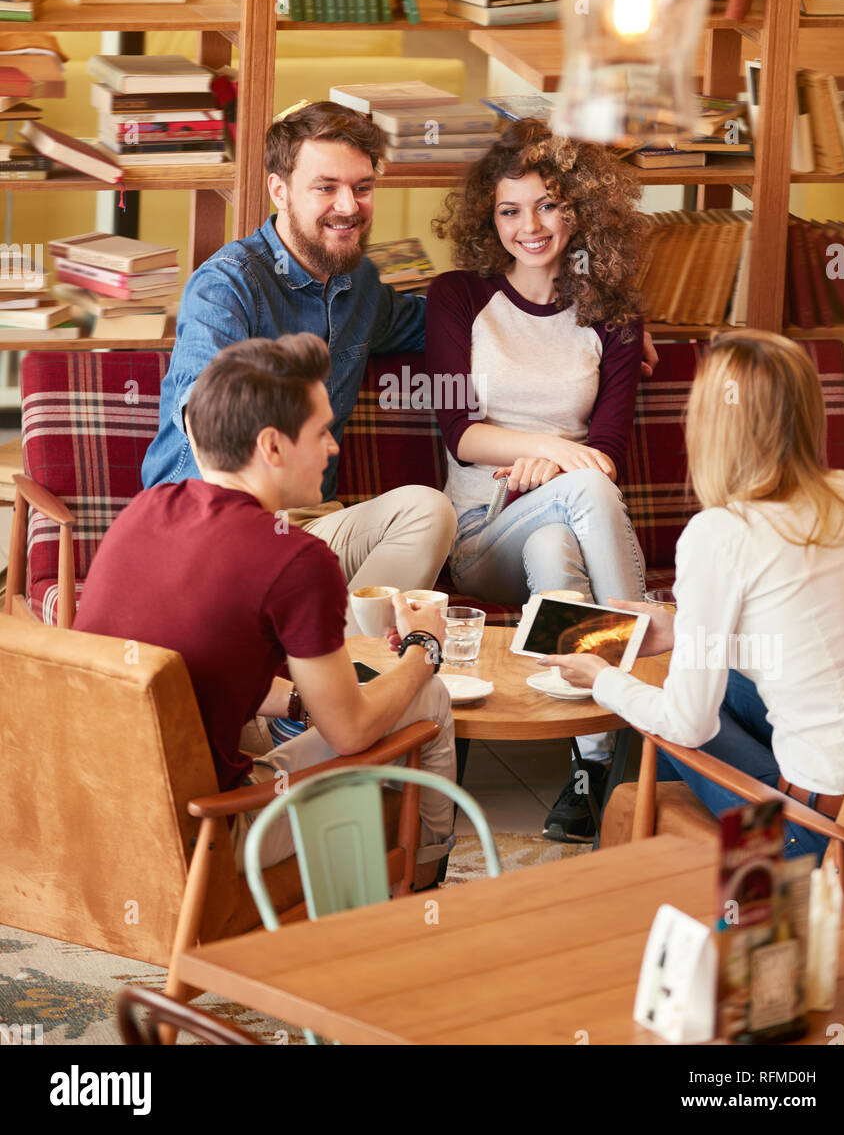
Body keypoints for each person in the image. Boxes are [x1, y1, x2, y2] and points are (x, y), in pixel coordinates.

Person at [75, 333, 456, 883]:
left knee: (353, 701)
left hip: (95, 817)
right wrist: (425, 647)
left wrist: (303, 702)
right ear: (272, 446)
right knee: (430, 696)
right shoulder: (297, 559)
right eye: (322, 431)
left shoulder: (146, 509)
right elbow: (350, 736)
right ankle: (423, 883)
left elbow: (195, 668)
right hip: (208, 835)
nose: (334, 446)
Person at [542, 330, 844, 860]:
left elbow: (688, 723)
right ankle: (656, 858)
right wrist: (679, 629)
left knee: (664, 716)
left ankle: (722, 899)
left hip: (818, 827)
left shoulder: (720, 533)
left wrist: (605, 681)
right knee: (720, 681)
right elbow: (809, 639)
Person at [141, 101, 457, 636]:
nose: (348, 205)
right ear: (279, 190)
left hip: (311, 527)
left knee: (429, 512)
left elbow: (450, 323)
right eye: (325, 186)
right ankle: (323, 689)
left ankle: (337, 685)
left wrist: (594, 319)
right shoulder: (228, 284)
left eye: (362, 187)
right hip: (210, 526)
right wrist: (255, 536)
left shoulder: (362, 289)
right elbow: (206, 418)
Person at [425, 119, 650, 841]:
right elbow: (459, 431)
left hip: (567, 526)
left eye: (548, 205)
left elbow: (609, 446)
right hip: (483, 529)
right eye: (510, 210)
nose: (531, 226)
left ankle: (592, 770)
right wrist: (551, 453)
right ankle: (648, 694)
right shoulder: (457, 297)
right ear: (489, 219)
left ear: (579, 208)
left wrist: (551, 468)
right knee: (580, 493)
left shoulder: (609, 313)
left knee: (556, 550)